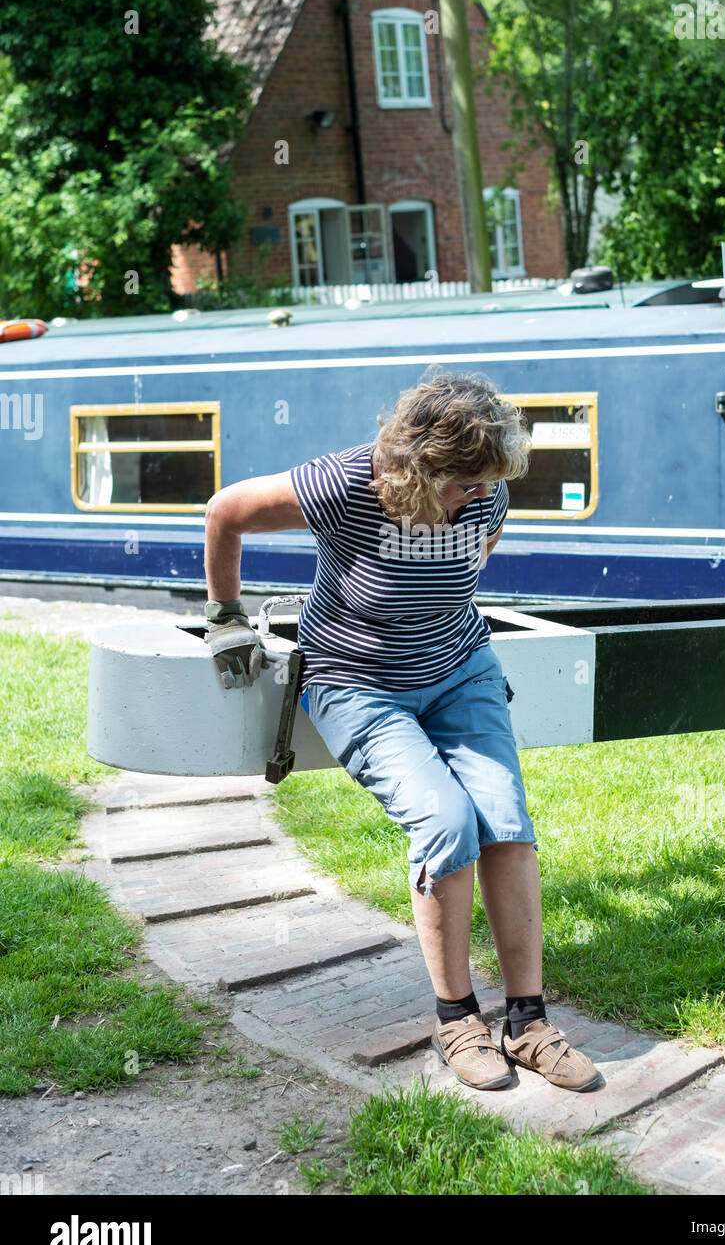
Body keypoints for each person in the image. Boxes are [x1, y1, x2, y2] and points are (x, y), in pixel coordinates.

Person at [203, 366, 602, 1093]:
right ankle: (455, 1019)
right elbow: (225, 510)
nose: (481, 497)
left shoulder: (489, 489)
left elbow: (478, 553)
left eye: (489, 483)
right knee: (446, 823)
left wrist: (451, 558)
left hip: (460, 669)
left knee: (505, 822)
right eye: (465, 484)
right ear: (420, 467)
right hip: (355, 681)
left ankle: (529, 1022)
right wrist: (226, 617)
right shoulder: (342, 486)